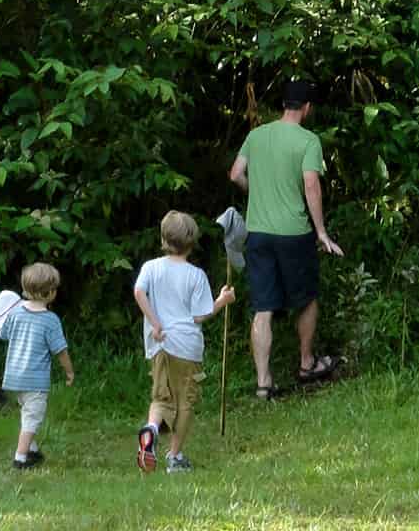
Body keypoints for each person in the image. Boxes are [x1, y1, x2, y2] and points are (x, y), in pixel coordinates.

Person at [229, 78, 343, 398]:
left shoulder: (256, 135)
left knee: (263, 307)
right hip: (294, 234)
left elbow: (235, 174)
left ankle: (263, 382)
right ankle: (306, 363)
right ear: (306, 108)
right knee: (306, 298)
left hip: (258, 233)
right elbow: (311, 185)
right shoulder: (308, 141)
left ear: (283, 105)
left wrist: (257, 192)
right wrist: (321, 232)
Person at [133, 210, 235, 473]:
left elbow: (138, 292)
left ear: (164, 238)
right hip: (187, 347)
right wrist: (222, 301)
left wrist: (155, 323)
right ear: (192, 242)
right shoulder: (195, 275)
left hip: (158, 344)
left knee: (161, 397)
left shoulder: (150, 267)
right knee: (185, 401)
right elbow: (200, 315)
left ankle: (151, 430)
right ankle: (175, 456)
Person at [0, 261, 74, 469]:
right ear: (50, 292)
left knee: (27, 412)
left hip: (14, 377)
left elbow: (3, 334)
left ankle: (33, 451)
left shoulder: (15, 314)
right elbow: (60, 350)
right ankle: (20, 459)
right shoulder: (50, 320)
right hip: (35, 380)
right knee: (33, 417)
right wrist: (69, 372)